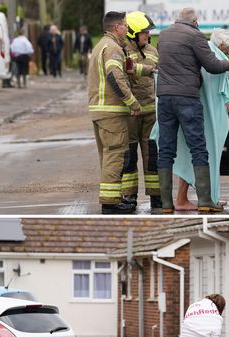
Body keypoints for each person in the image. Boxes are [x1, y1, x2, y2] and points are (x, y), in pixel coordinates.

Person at [150, 28, 229, 211]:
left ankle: (168, 203)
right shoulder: (211, 54)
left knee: (171, 152)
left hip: (169, 102)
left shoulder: (168, 42)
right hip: (196, 110)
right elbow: (213, 81)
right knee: (199, 152)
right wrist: (227, 65)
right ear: (222, 45)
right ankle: (205, 200)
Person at [88, 11, 142, 214]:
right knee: (115, 155)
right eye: (126, 26)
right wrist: (132, 103)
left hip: (100, 111)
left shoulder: (102, 45)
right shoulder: (112, 48)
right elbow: (115, 78)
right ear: (117, 27)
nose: (127, 29)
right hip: (112, 112)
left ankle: (113, 199)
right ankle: (111, 204)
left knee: (108, 155)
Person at [122, 11, 161, 211]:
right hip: (130, 113)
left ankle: (157, 196)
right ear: (132, 33)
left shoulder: (152, 50)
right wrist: (140, 68)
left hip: (150, 112)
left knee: (152, 156)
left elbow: (152, 66)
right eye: (144, 32)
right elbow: (123, 70)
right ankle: (129, 197)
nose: (148, 35)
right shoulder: (121, 51)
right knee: (129, 157)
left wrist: (135, 68)